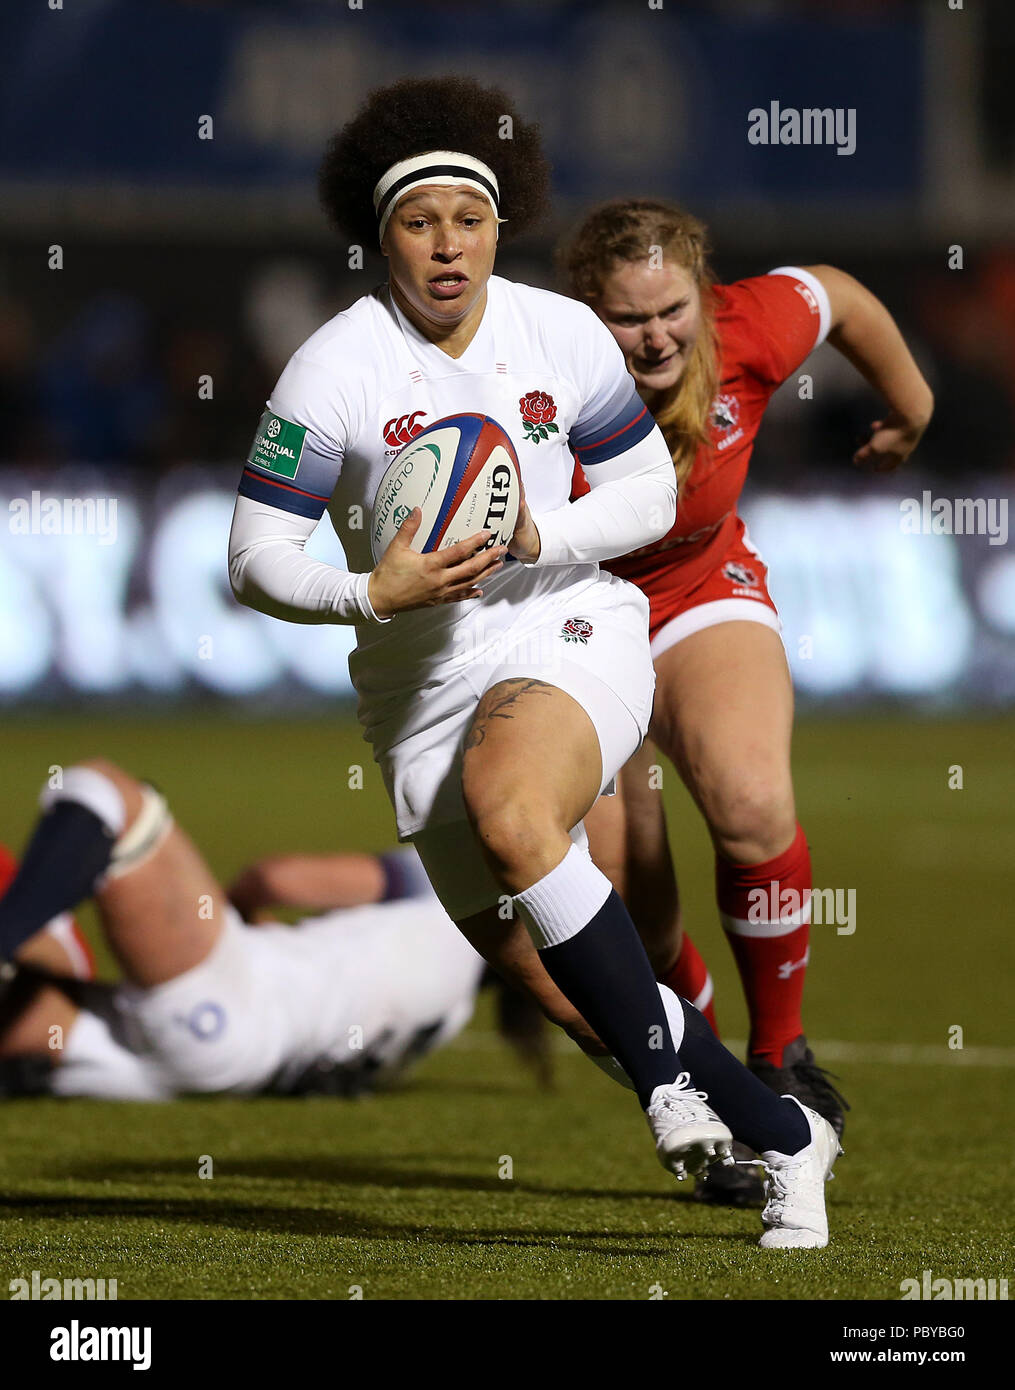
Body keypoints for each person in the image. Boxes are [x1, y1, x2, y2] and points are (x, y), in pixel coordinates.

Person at [219, 76, 843, 1247]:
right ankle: (786, 1133)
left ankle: (671, 1096)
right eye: (419, 221)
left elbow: (648, 486)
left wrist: (537, 537)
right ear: (380, 234)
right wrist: (371, 590)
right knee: (566, 985)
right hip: (415, 686)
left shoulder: (558, 332)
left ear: (501, 228)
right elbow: (252, 556)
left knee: (514, 805)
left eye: (469, 219)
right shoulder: (331, 370)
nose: (447, 245)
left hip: (566, 620)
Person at [561, 199, 933, 1201]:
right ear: (579, 312)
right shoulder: (531, 370)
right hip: (566, 623)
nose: (656, 336)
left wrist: (911, 408)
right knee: (626, 917)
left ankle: (780, 1054)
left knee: (751, 800)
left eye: (670, 310)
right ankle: (701, 1081)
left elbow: (844, 297)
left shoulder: (749, 325)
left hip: (693, 589)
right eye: (626, 319)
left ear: (700, 293)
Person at [0, 760, 485, 1101]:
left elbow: (276, 880)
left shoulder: (466, 876)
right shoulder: (452, 1008)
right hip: (224, 1065)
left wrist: (236, 917)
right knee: (30, 1004)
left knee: (106, 794)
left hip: (234, 1005)